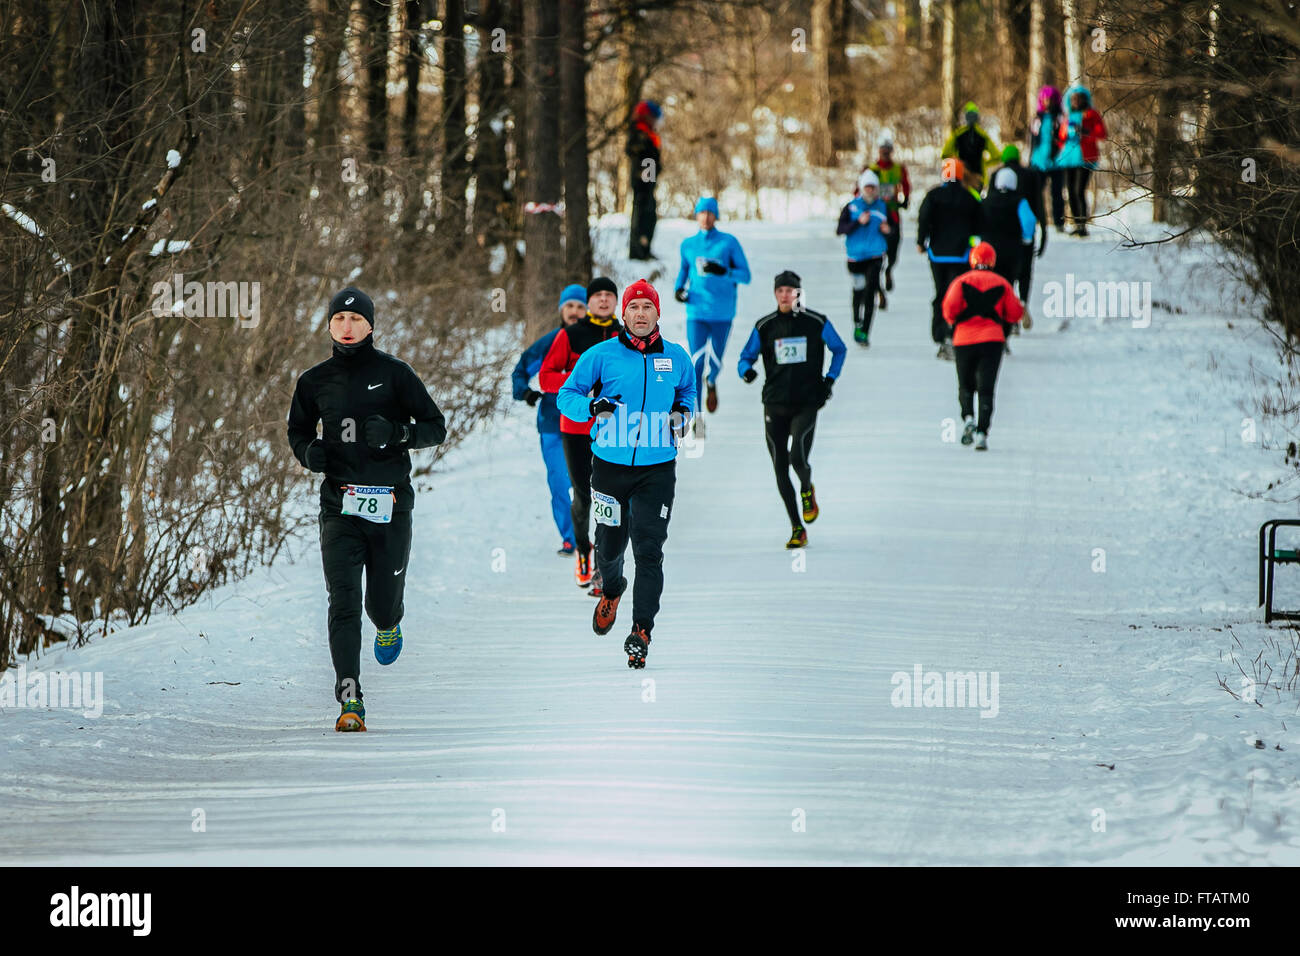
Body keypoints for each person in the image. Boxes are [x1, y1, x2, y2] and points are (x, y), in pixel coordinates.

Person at [287, 287, 447, 732]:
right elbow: (297, 429)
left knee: (381, 603)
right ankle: (349, 695)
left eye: (356, 319)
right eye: (339, 318)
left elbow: (436, 427)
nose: (347, 326)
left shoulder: (395, 375)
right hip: (339, 505)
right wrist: (307, 453)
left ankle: (389, 623)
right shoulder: (314, 381)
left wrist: (397, 433)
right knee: (343, 600)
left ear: (371, 325)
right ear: (329, 325)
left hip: (390, 505)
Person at [557, 279, 696, 669]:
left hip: (657, 469)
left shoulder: (677, 356)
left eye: (646, 308)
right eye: (633, 307)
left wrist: (683, 415)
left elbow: (688, 394)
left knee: (649, 550)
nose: (639, 314)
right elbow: (566, 395)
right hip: (609, 467)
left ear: (657, 314)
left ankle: (641, 630)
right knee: (610, 548)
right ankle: (613, 588)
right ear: (623, 313)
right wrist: (591, 407)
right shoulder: (601, 355)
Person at [736, 271, 848, 548]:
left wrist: (830, 379)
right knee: (779, 466)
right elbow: (745, 357)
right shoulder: (765, 326)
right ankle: (797, 527)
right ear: (775, 294)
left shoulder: (816, 322)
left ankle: (807, 490)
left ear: (799, 293)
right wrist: (746, 371)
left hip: (807, 401)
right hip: (774, 402)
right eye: (781, 290)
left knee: (798, 456)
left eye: (791, 290)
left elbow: (840, 348)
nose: (785, 295)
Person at [540, 277, 622, 594]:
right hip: (576, 428)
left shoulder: (625, 336)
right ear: (588, 303)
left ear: (616, 302)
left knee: (609, 495)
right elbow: (545, 377)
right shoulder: (570, 335)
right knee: (584, 495)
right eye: (597, 295)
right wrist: (578, 385)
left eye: (609, 295)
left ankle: (604, 566)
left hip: (615, 429)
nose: (603, 300)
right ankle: (584, 553)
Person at [512, 284, 586, 555]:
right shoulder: (551, 341)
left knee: (591, 482)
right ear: (562, 310)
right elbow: (522, 368)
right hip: (554, 423)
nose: (575, 312)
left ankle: (595, 535)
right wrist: (526, 393)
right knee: (560, 482)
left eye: (580, 306)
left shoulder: (597, 342)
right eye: (570, 306)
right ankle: (571, 538)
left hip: (591, 425)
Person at [673, 196, 751, 426]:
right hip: (696, 312)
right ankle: (697, 419)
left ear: (716, 216)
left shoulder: (729, 243)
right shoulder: (688, 245)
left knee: (715, 361)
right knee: (696, 362)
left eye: (710, 213)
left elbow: (745, 275)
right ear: (696, 215)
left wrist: (724, 271)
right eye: (701, 213)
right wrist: (679, 289)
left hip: (722, 313)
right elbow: (683, 272)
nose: (706, 217)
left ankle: (712, 380)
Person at [941, 242, 1024, 450]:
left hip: (964, 340)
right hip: (992, 341)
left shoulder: (961, 282)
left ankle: (968, 417)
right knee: (987, 388)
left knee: (965, 383)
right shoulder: (1002, 283)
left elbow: (949, 309)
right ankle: (982, 432)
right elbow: (1015, 313)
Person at [916, 157, 982, 360]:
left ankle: (939, 333)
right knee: (958, 295)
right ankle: (955, 332)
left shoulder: (933, 196)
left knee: (941, 293)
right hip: (961, 255)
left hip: (937, 255)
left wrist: (921, 241)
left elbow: (924, 217)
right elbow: (979, 223)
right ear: (961, 175)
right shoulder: (970, 197)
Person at [836, 170, 890, 346]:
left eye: (873, 187)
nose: (870, 190)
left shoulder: (882, 206)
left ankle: (865, 331)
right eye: (867, 187)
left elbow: (894, 230)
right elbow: (840, 229)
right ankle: (857, 322)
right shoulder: (852, 207)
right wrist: (858, 222)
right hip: (855, 258)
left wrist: (888, 231)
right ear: (861, 188)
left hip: (875, 256)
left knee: (870, 293)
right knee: (858, 292)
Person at [995, 144, 1047, 312]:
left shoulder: (997, 175)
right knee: (1025, 272)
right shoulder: (1031, 175)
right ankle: (1023, 302)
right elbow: (1039, 204)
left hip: (1001, 234)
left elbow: (989, 204)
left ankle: (1008, 308)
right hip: (1026, 233)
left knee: (1004, 273)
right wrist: (1044, 231)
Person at [1055, 86, 1107, 236]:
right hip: (1067, 159)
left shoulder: (1092, 114)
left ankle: (1083, 224)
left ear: (1085, 99)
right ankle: (1077, 223)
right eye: (1073, 99)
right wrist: (1058, 138)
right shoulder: (1068, 116)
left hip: (1086, 158)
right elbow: (1063, 137)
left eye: (1079, 99)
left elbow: (1102, 133)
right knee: (1070, 191)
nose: (1076, 102)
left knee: (1079, 190)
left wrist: (1085, 133)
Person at [869, 138, 911, 294]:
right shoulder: (871, 169)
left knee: (893, 251)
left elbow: (906, 185)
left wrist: (905, 199)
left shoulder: (898, 169)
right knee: (875, 257)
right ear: (879, 152)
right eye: (883, 151)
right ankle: (878, 289)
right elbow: (859, 188)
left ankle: (888, 271)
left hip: (893, 215)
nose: (885, 154)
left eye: (888, 151)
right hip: (876, 217)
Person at [627, 100, 663, 259]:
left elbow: (653, 158)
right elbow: (634, 152)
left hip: (649, 178)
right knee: (641, 213)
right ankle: (637, 250)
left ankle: (645, 248)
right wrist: (645, 171)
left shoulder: (649, 132)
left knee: (650, 214)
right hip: (642, 180)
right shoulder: (637, 131)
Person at [1028, 86, 1066, 233]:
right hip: (1039, 161)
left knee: (1057, 193)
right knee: (1036, 192)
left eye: (1050, 99)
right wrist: (1031, 159)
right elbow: (1032, 140)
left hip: (1057, 162)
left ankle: (1059, 222)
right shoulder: (1037, 119)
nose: (1047, 102)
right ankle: (1037, 220)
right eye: (1044, 99)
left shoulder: (1060, 118)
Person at [941, 102, 1000, 190]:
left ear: (965, 117)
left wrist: (957, 161)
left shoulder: (957, 135)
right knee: (974, 202)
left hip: (961, 176)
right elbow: (997, 156)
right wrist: (985, 163)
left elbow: (945, 154)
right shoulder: (983, 136)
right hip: (978, 177)